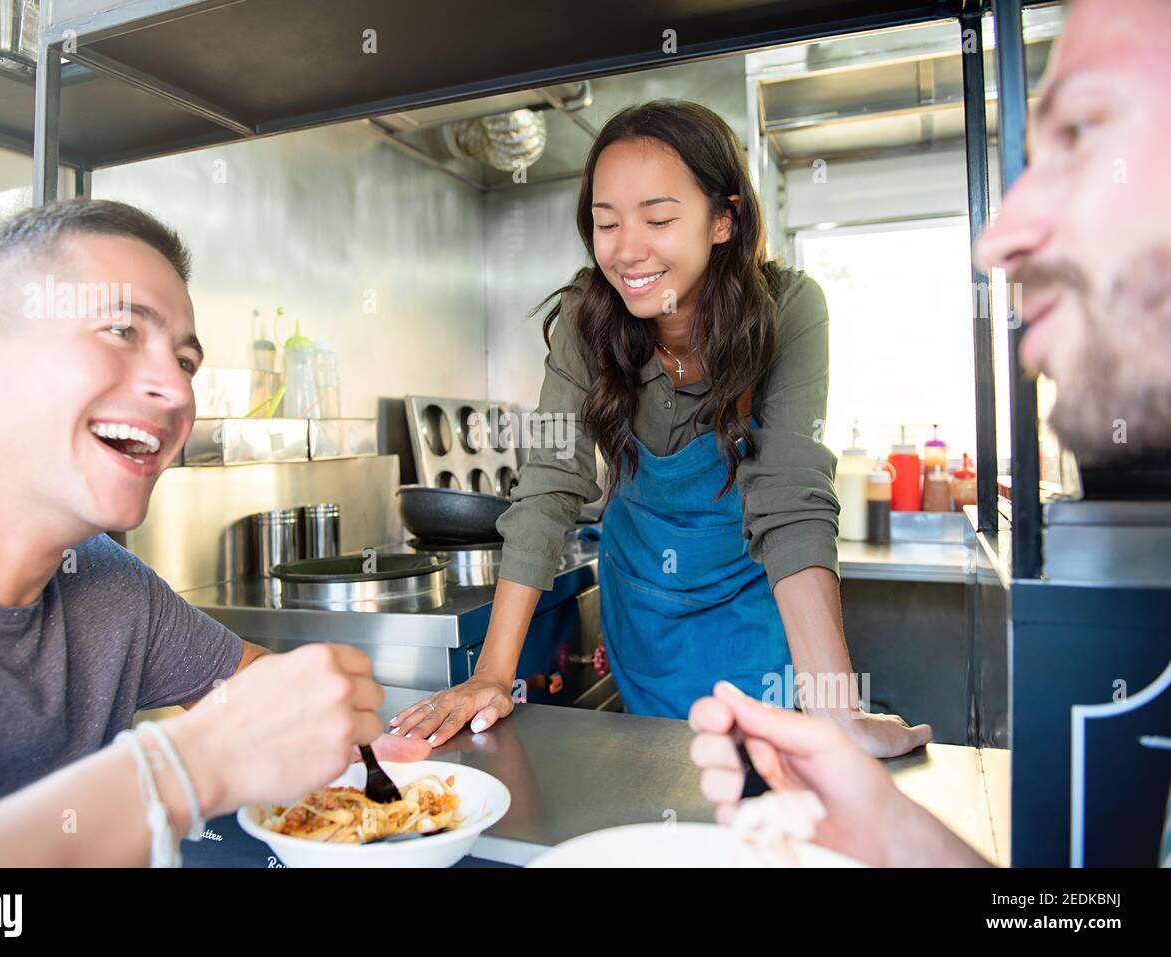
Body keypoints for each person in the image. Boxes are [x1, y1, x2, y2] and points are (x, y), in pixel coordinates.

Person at [691, 0, 1171, 866]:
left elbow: (789, 488)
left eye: (1089, 133)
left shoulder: (792, 307)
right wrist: (902, 842)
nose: (1003, 239)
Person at [0, 199, 427, 866]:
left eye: (186, 361)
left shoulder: (106, 582)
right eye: (120, 331)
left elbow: (268, 694)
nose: (176, 388)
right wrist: (175, 772)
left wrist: (373, 737)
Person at [392, 100, 930, 758]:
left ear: (724, 218)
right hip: (641, 614)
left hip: (748, 608)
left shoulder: (789, 311)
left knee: (757, 795)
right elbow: (548, 485)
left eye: (659, 218)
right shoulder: (585, 319)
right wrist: (491, 674)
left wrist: (838, 710)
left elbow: (790, 501)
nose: (627, 250)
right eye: (606, 222)